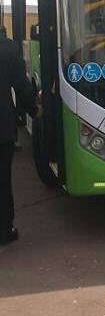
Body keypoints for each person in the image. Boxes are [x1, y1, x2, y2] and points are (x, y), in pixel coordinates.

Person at [0, 33, 40, 244]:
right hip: (2, 129)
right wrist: (34, 110)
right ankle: (4, 230)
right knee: (2, 180)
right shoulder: (8, 48)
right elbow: (21, 86)